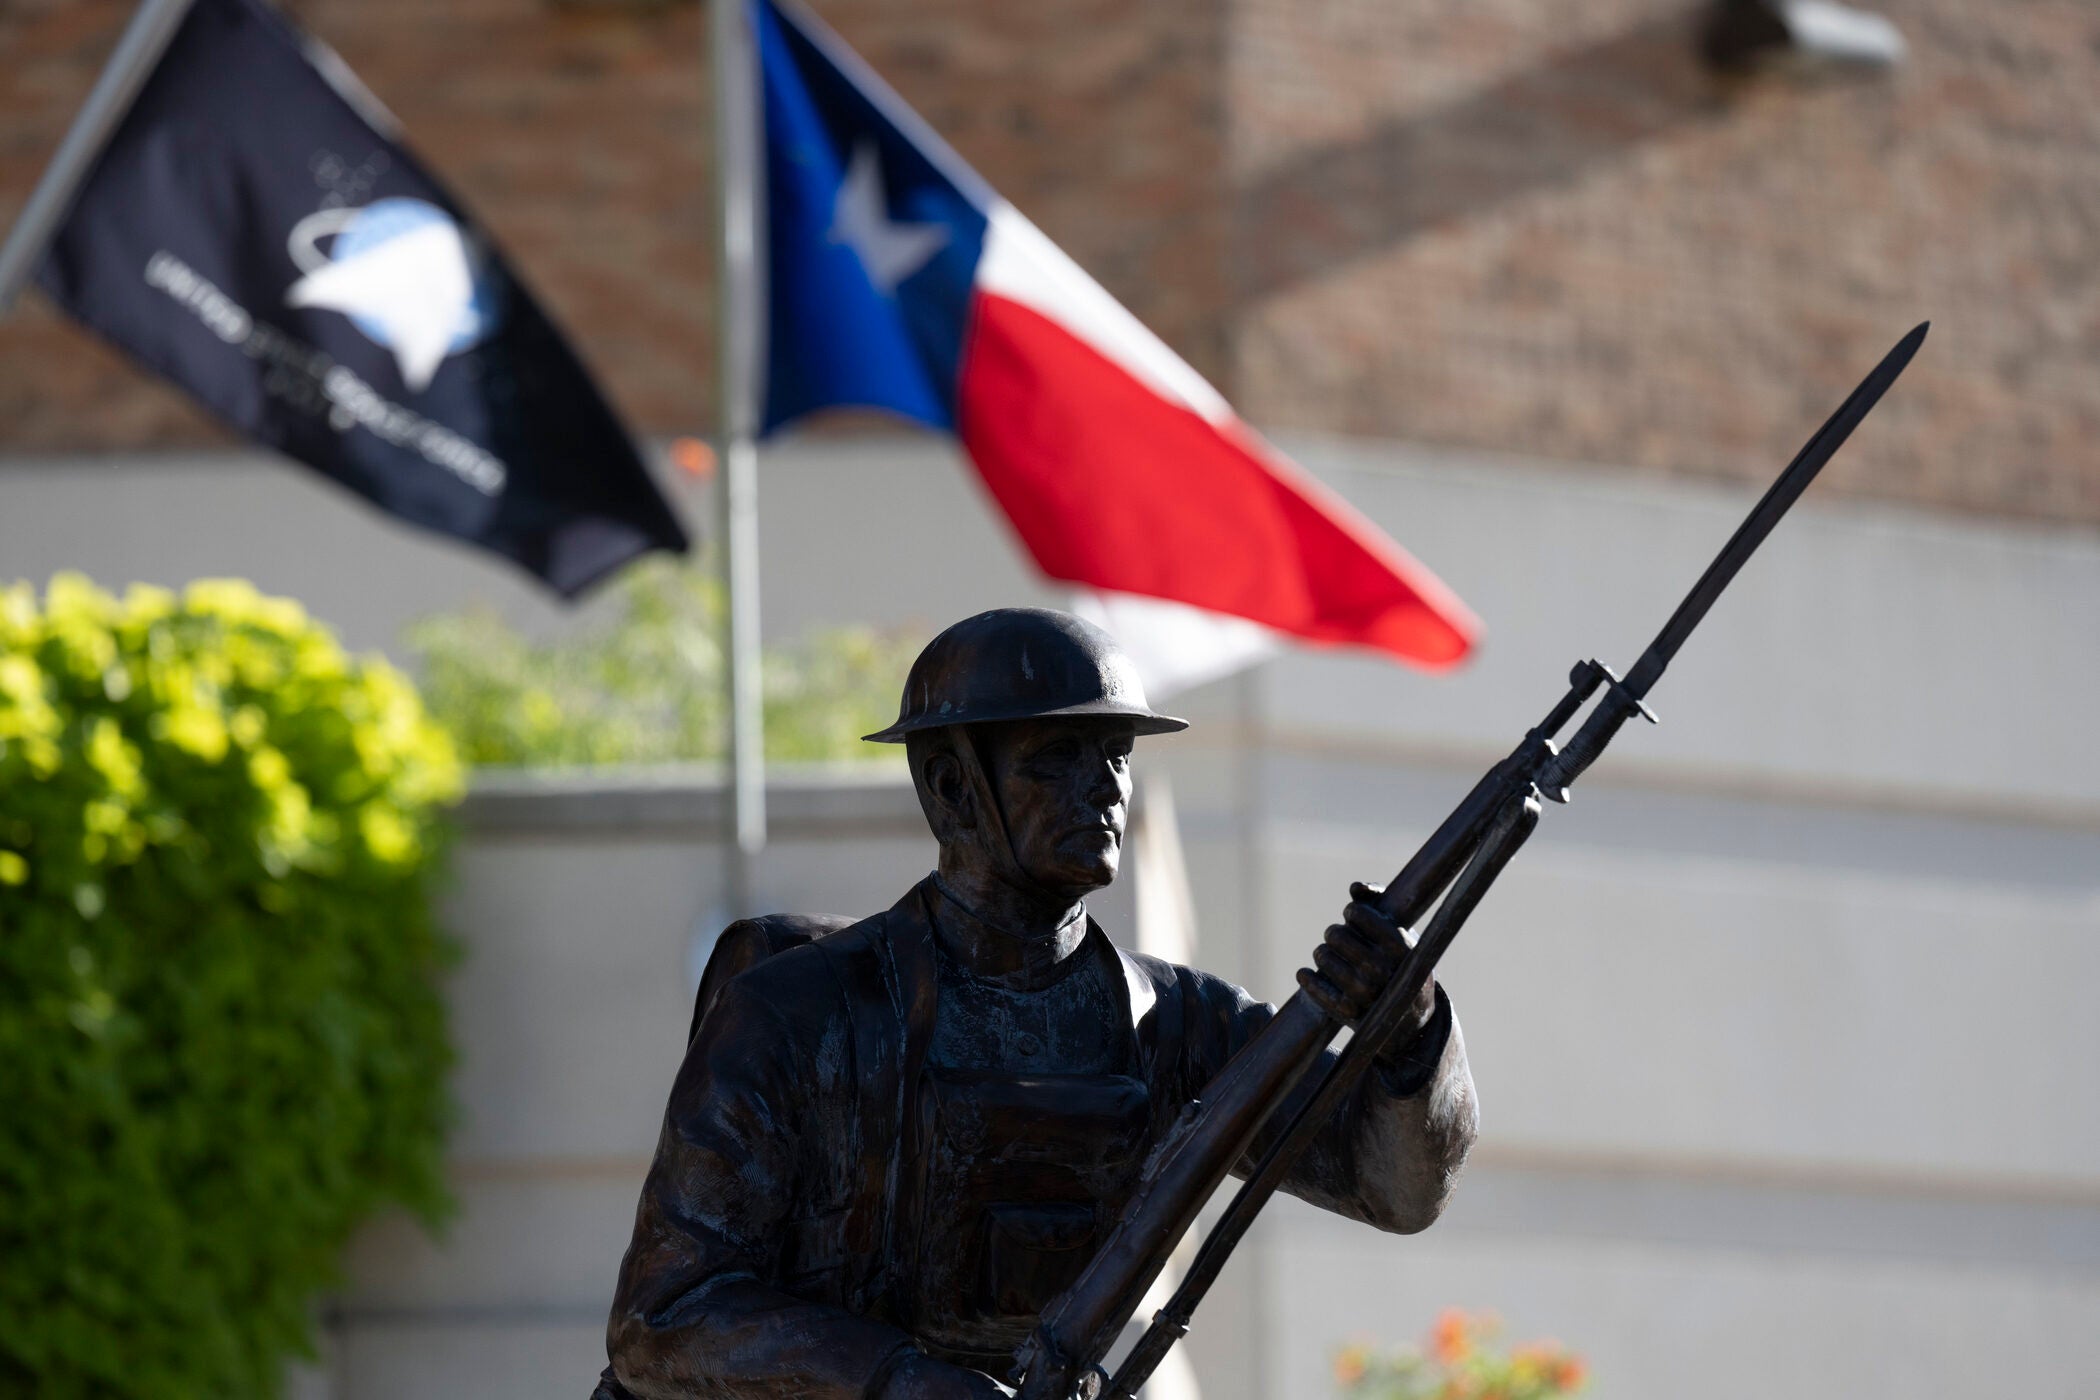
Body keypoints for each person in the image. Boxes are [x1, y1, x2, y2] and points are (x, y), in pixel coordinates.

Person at [598, 608, 1477, 1399]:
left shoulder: (1175, 1025)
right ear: (950, 787)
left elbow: (1393, 1189)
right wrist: (902, 1384)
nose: (1106, 787)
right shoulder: (797, 1013)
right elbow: (663, 1317)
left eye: (1118, 756)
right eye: (1057, 758)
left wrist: (1411, 1031)